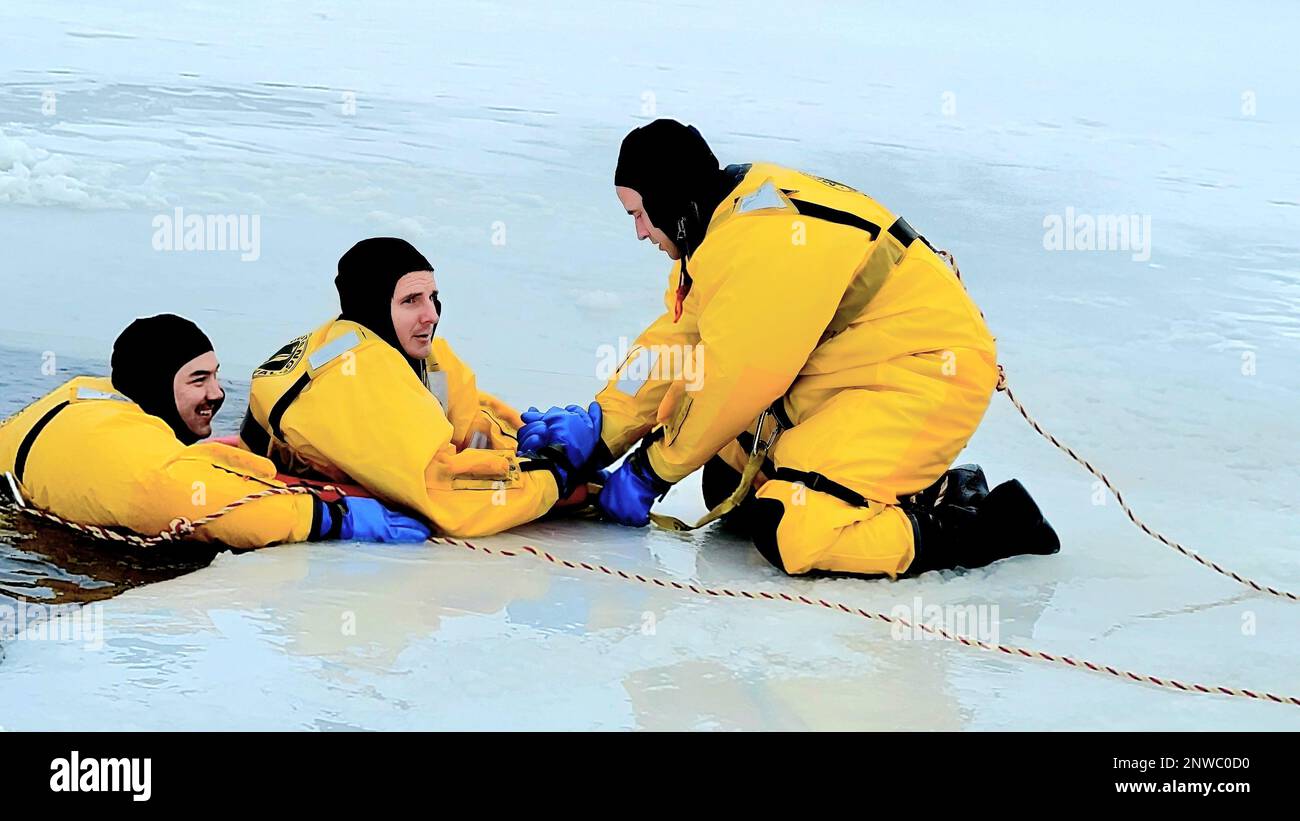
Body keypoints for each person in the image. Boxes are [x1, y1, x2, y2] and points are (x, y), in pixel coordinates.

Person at [520, 119, 1059, 577]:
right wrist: (604, 425)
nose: (639, 232)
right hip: (853, 369)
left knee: (791, 529)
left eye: (639, 214)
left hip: (920, 376)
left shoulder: (759, 244)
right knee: (730, 478)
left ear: (668, 201)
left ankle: (978, 525)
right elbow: (680, 339)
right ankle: (903, 487)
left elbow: (734, 379)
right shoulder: (724, 221)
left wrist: (651, 470)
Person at [240, 238, 598, 538]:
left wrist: (527, 440)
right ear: (372, 306)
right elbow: (446, 497)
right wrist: (555, 471)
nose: (432, 315)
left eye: (433, 297)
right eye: (411, 300)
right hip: (294, 468)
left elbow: (468, 421)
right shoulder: (359, 375)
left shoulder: (418, 352)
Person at [0, 314, 428, 547]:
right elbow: (225, 505)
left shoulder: (82, 396)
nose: (218, 393)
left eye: (216, 376)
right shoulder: (142, 468)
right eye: (198, 379)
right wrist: (334, 516)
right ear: (155, 385)